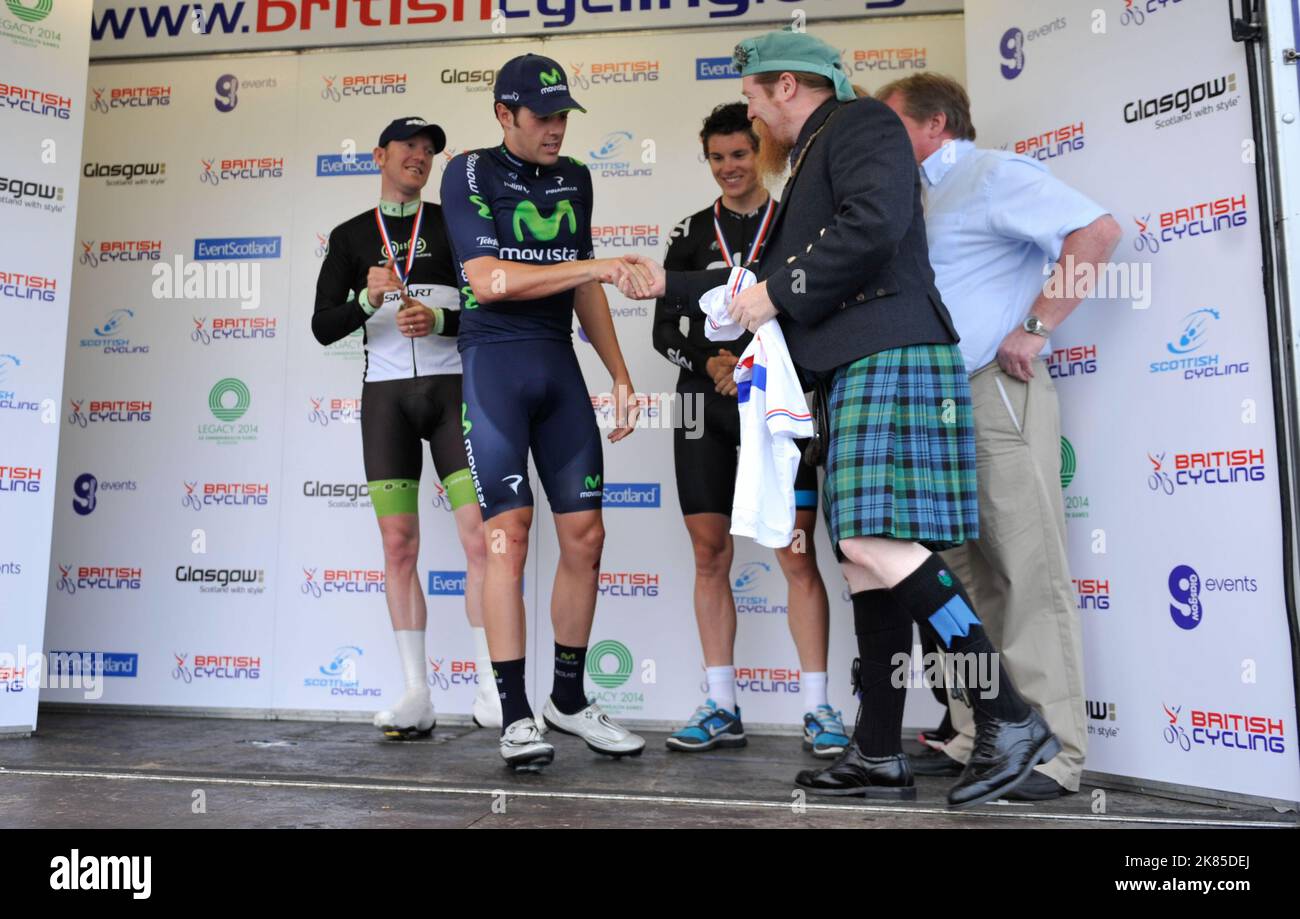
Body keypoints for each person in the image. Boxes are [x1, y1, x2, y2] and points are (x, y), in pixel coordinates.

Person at [619, 30, 1060, 807]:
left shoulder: (859, 126)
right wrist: (671, 286)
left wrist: (777, 294)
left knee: (872, 541)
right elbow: (761, 282)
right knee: (862, 566)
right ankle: (878, 749)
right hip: (856, 363)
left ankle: (1009, 715)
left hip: (887, 350)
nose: (752, 123)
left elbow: (874, 226)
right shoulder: (824, 150)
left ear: (787, 85)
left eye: (754, 100)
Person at [879, 73, 1122, 800]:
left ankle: (1054, 753)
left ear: (937, 122)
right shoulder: (915, 200)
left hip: (991, 390)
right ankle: (977, 734)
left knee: (1023, 571)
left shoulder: (992, 173)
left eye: (891, 125)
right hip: (931, 407)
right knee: (956, 577)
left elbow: (1099, 230)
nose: (880, 141)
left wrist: (1037, 325)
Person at [439, 54, 649, 771]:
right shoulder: (468, 172)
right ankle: (515, 713)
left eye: (564, 115)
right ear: (505, 114)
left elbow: (585, 283)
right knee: (509, 537)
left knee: (585, 534)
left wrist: (619, 372)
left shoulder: (577, 177)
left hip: (557, 364)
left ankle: (566, 697)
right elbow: (489, 279)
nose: (556, 128)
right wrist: (593, 267)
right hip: (495, 364)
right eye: (542, 116)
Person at [653, 102, 846, 758]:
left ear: (758, 151)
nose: (730, 168)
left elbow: (816, 305)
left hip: (777, 405)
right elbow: (662, 329)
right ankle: (721, 703)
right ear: (707, 160)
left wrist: (757, 362)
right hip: (703, 406)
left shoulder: (795, 218)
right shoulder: (687, 231)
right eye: (718, 157)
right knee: (710, 555)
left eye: (740, 154)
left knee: (796, 553)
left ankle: (819, 708)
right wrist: (708, 360)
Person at [312, 116, 500, 738]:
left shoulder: (454, 223)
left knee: (478, 538)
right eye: (409, 148)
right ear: (380, 156)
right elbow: (322, 326)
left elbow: (489, 305)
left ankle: (488, 689)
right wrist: (366, 303)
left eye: (429, 150)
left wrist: (442, 321)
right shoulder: (347, 237)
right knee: (398, 546)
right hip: (386, 400)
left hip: (453, 394)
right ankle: (417, 694)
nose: (420, 157)